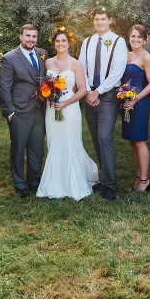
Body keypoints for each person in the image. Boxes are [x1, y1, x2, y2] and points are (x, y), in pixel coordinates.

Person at [37, 28, 99, 200]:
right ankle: (55, 181)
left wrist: (65, 103)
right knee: (55, 143)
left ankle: (74, 182)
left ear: (69, 43)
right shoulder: (47, 63)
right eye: (57, 41)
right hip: (52, 109)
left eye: (63, 41)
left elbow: (82, 90)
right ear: (54, 43)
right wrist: (47, 94)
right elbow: (44, 85)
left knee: (71, 143)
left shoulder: (75, 63)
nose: (60, 44)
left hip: (70, 109)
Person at [79, 8, 127, 201]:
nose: (99, 22)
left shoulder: (118, 42)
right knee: (96, 138)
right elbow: (81, 67)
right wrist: (89, 91)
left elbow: (117, 71)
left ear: (110, 20)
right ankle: (104, 177)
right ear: (93, 22)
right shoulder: (87, 42)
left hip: (107, 96)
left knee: (105, 137)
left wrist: (98, 91)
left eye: (103, 19)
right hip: (89, 95)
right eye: (96, 19)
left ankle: (109, 185)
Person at [0, 24, 48, 198]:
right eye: (28, 36)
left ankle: (34, 182)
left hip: (39, 110)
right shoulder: (9, 58)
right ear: (20, 36)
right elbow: (4, 88)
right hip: (19, 112)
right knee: (18, 150)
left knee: (37, 148)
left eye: (34, 36)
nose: (31, 40)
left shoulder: (42, 54)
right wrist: (10, 112)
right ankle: (20, 184)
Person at [121, 25, 150, 192]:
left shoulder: (146, 57)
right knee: (132, 141)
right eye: (133, 36)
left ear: (145, 40)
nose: (135, 40)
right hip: (126, 103)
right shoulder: (126, 56)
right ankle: (138, 177)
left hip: (139, 103)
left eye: (139, 37)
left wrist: (135, 99)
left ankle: (144, 180)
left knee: (140, 141)